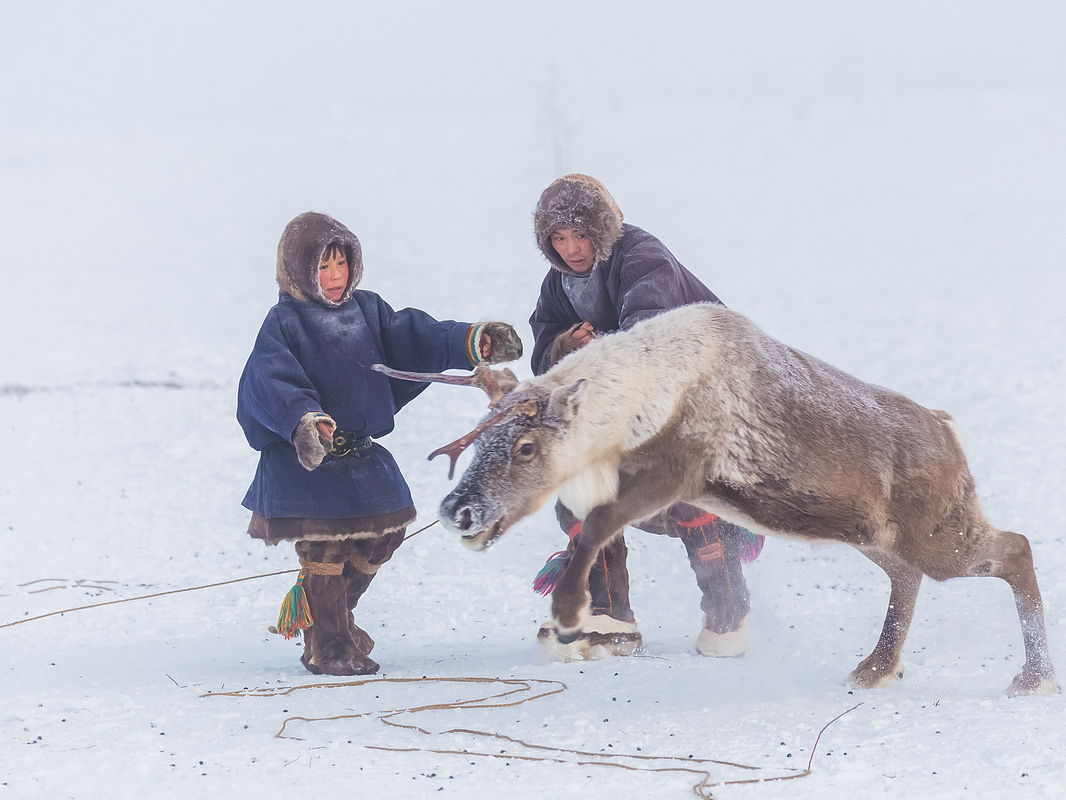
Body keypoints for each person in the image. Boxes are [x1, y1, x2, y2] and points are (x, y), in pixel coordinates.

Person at [238, 211, 522, 676]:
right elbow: (269, 379)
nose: (334, 276)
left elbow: (415, 335)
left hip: (359, 454)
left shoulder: (367, 309)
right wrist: (304, 421)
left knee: (384, 534)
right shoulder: (284, 322)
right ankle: (328, 645)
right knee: (326, 551)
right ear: (299, 270)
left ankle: (332, 618)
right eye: (323, 267)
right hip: (305, 460)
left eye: (341, 264)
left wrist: (472, 341)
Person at [528, 174, 763, 660]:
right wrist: (563, 348)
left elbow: (650, 326)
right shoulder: (559, 283)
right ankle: (609, 616)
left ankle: (728, 608)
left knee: (690, 497)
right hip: (627, 411)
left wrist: (601, 353)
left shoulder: (641, 256)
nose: (571, 249)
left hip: (700, 400)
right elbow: (544, 351)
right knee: (583, 495)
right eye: (559, 238)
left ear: (602, 230)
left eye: (580, 235)